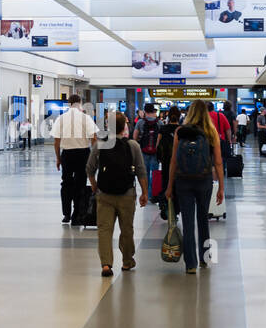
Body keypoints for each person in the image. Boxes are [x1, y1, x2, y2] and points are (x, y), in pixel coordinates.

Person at [165, 100, 224, 275]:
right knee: (203, 220)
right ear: (206, 113)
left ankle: (190, 264)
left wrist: (169, 186)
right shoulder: (211, 132)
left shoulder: (180, 132)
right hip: (204, 180)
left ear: (190, 113)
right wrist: (221, 186)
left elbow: (173, 161)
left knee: (188, 223)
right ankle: (205, 259)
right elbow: (218, 162)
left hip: (183, 181)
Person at [87, 113, 149, 277]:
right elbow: (141, 171)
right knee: (127, 229)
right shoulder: (133, 145)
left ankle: (106, 264)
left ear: (108, 125)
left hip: (104, 194)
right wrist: (144, 192)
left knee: (105, 230)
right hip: (127, 194)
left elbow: (90, 168)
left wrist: (94, 186)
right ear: (124, 127)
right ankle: (127, 261)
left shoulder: (100, 144)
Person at [52, 94, 98, 226]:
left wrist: (58, 158)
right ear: (80, 103)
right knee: (80, 184)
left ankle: (66, 214)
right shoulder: (86, 118)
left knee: (66, 183)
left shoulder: (61, 118)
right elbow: (93, 138)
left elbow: (56, 141)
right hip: (83, 153)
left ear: (69, 103)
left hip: (67, 154)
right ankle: (76, 214)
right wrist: (95, 156)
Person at [154, 106, 182, 219]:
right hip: (179, 163)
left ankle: (165, 206)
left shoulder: (163, 129)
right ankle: (176, 210)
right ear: (179, 116)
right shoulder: (181, 129)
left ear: (168, 116)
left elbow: (157, 145)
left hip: (166, 162)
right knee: (177, 185)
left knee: (166, 183)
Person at [133, 101, 160, 175]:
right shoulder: (159, 123)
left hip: (143, 150)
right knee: (155, 172)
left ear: (145, 111)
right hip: (156, 151)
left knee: (145, 172)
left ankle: (147, 186)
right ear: (153, 111)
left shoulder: (140, 122)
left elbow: (134, 137)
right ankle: (153, 186)